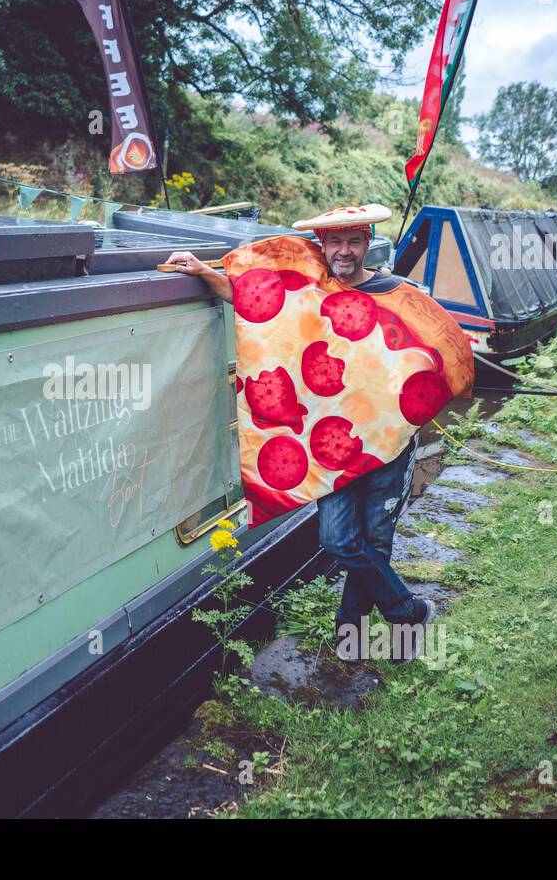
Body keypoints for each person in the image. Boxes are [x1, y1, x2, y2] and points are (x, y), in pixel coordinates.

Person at [164, 208, 434, 661]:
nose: (344, 251)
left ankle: (353, 641)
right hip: (334, 449)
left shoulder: (396, 292)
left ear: (367, 242)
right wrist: (203, 271)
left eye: (353, 241)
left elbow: (436, 350)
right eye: (335, 242)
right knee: (338, 539)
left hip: (389, 445)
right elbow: (252, 300)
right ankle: (407, 610)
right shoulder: (308, 291)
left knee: (377, 543)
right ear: (322, 246)